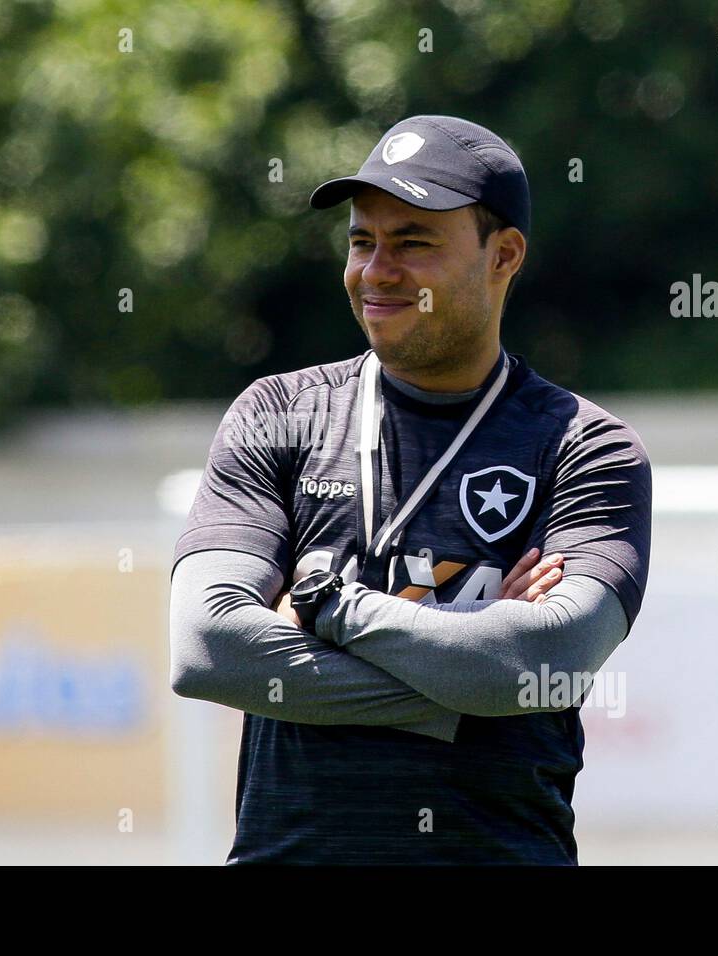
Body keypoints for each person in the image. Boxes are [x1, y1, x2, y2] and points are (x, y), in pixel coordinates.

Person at [169, 115, 652, 864]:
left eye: (414, 242)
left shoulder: (584, 447)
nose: (377, 270)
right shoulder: (276, 415)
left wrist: (330, 607)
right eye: (363, 241)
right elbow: (211, 650)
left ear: (505, 255)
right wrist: (469, 675)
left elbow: (547, 661)